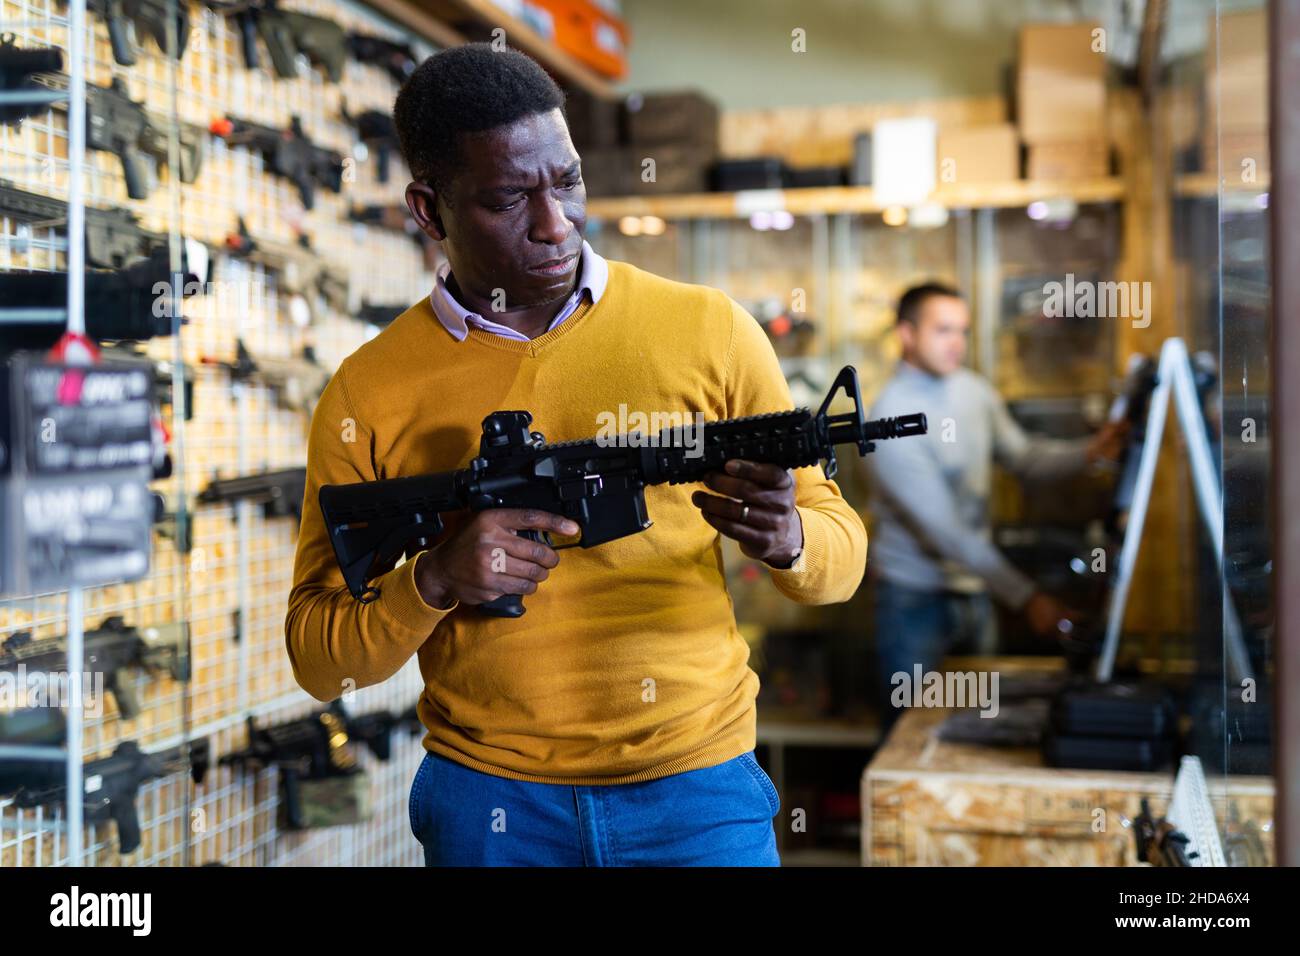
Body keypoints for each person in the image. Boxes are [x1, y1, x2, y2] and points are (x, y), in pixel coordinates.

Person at [285, 44, 868, 866]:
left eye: (567, 182)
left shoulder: (709, 329)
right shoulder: (368, 389)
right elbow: (318, 655)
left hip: (698, 789)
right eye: (508, 198)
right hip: (491, 802)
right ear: (428, 207)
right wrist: (437, 579)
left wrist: (792, 540)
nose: (554, 223)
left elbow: (840, 560)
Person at [864, 282, 1126, 731]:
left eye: (962, 331)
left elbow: (1024, 457)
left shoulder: (973, 391)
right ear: (906, 334)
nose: (956, 343)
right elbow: (948, 533)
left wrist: (1090, 452)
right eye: (942, 330)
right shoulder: (886, 419)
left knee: (975, 726)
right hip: (912, 599)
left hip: (977, 589)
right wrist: (1028, 598)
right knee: (909, 735)